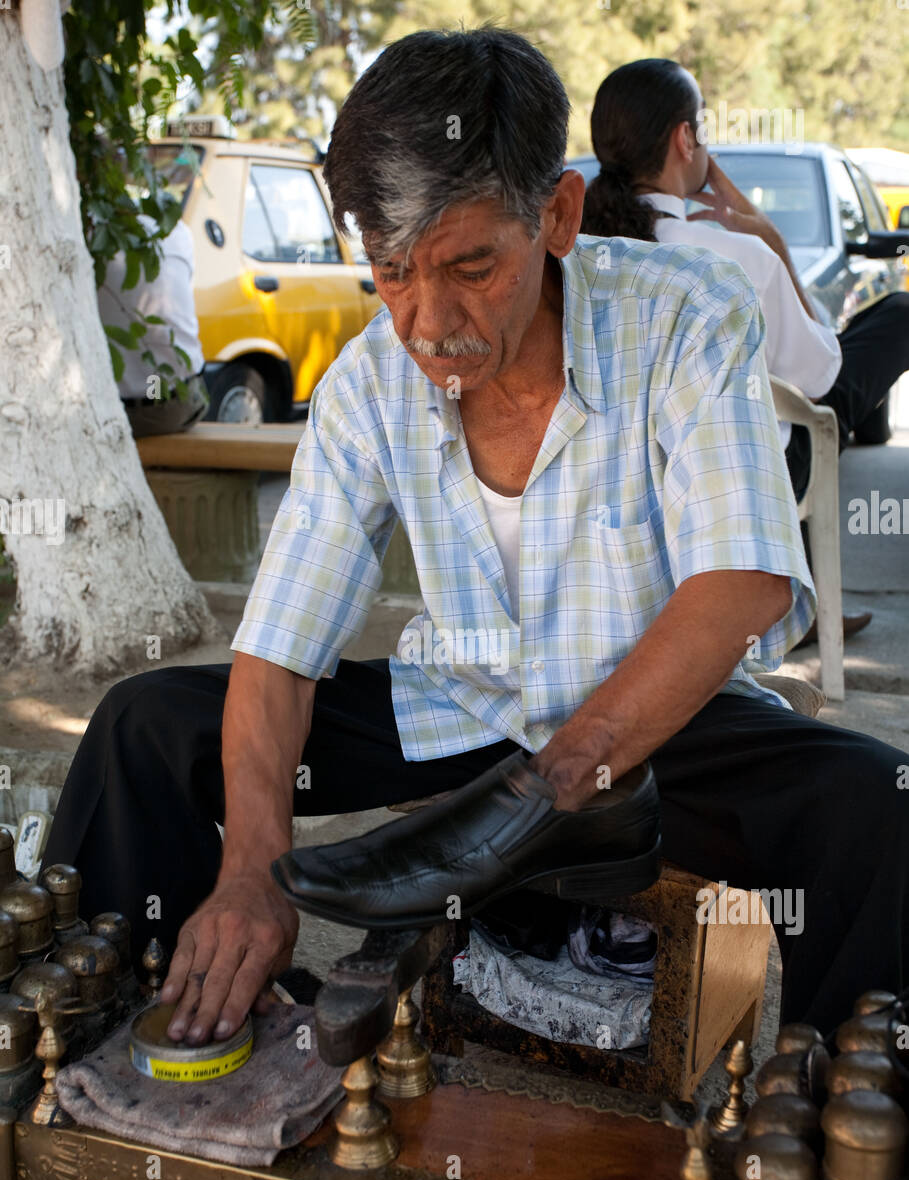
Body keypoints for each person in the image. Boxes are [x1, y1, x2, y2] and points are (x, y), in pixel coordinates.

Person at [45, 28, 909, 1049]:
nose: (429, 322)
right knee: (148, 723)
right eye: (392, 272)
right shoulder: (370, 382)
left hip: (658, 728)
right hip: (463, 703)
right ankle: (110, 1041)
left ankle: (831, 1110)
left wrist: (537, 797)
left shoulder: (683, 313)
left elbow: (743, 581)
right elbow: (280, 644)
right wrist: (251, 873)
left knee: (875, 804)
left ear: (558, 215)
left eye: (471, 266)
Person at [581, 58, 909, 645]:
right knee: (895, 318)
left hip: (614, 469)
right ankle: (800, 600)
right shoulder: (738, 256)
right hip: (736, 480)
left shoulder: (574, 254)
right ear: (685, 138)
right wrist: (773, 241)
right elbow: (821, 374)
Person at [98, 215, 208, 437]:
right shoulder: (177, 232)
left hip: (113, 409)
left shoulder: (90, 240)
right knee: (159, 381)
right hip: (173, 404)